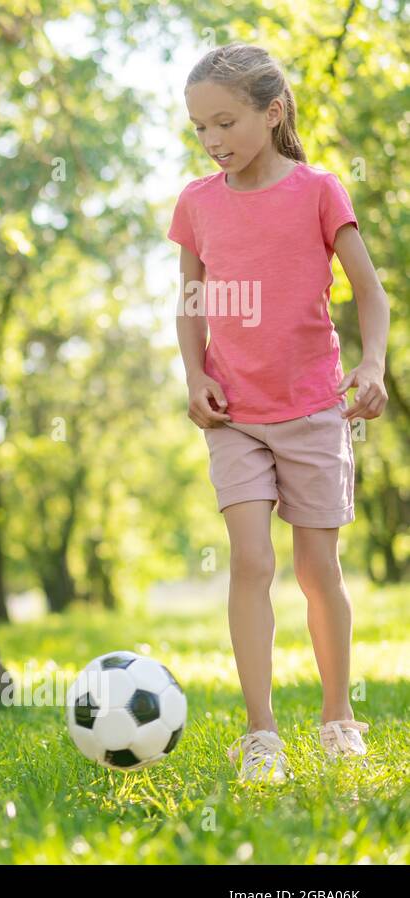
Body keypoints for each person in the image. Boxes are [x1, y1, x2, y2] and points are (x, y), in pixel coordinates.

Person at [169, 45, 389, 782]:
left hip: (313, 410)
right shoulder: (197, 203)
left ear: (273, 111)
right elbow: (191, 302)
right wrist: (195, 375)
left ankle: (338, 718)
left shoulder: (320, 191)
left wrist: (373, 364)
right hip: (234, 414)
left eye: (224, 122)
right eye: (200, 128)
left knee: (315, 567)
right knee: (251, 560)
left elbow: (371, 291)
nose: (213, 140)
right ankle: (260, 733)